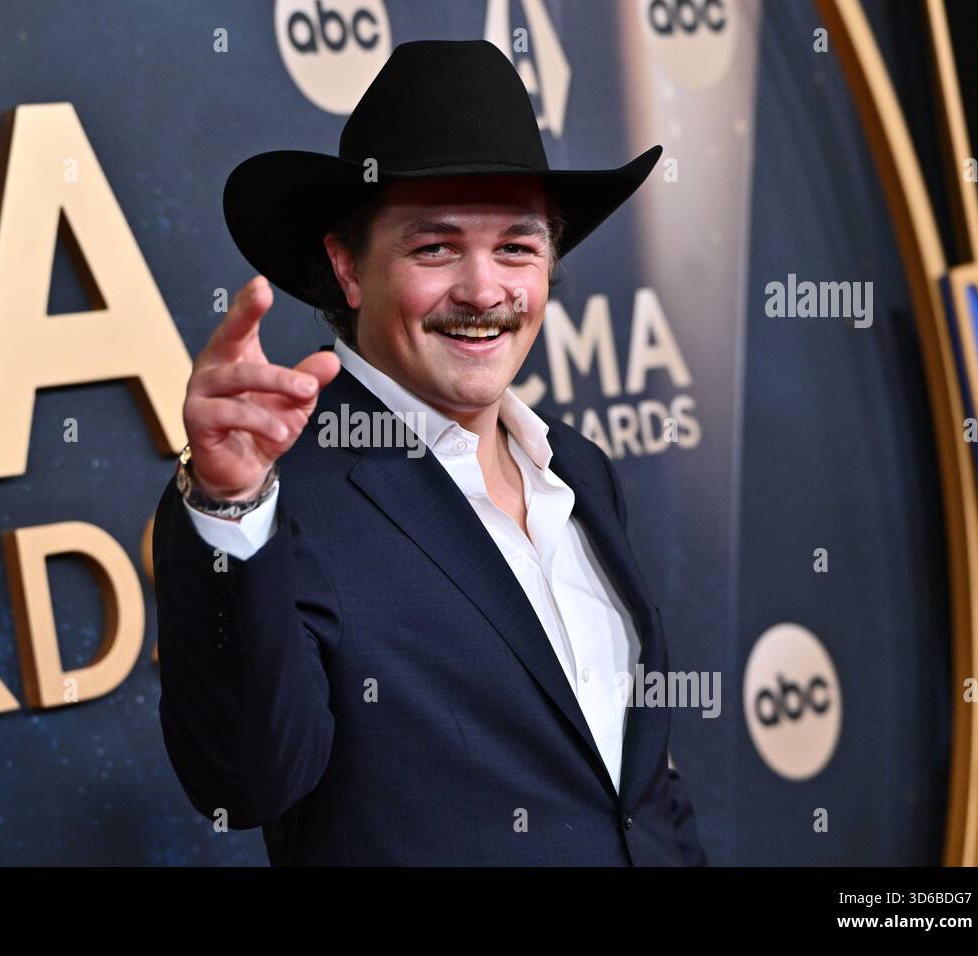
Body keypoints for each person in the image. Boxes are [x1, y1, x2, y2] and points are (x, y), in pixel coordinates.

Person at [153, 38, 706, 865]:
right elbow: (246, 784)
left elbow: (638, 798)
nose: (484, 291)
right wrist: (230, 507)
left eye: (516, 247)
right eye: (435, 248)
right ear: (347, 267)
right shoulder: (277, 500)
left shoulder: (580, 472)